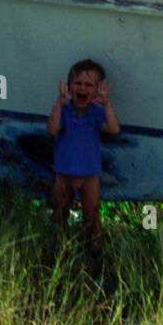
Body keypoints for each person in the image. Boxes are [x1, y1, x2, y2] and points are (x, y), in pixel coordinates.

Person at [47, 59, 120, 254]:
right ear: (69, 88)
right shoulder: (63, 110)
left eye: (89, 85)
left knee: (92, 217)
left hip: (90, 178)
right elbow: (52, 130)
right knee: (59, 215)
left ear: (96, 91)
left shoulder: (96, 113)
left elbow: (113, 129)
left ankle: (95, 254)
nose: (82, 88)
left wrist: (107, 104)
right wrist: (58, 105)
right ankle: (55, 252)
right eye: (78, 84)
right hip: (64, 175)